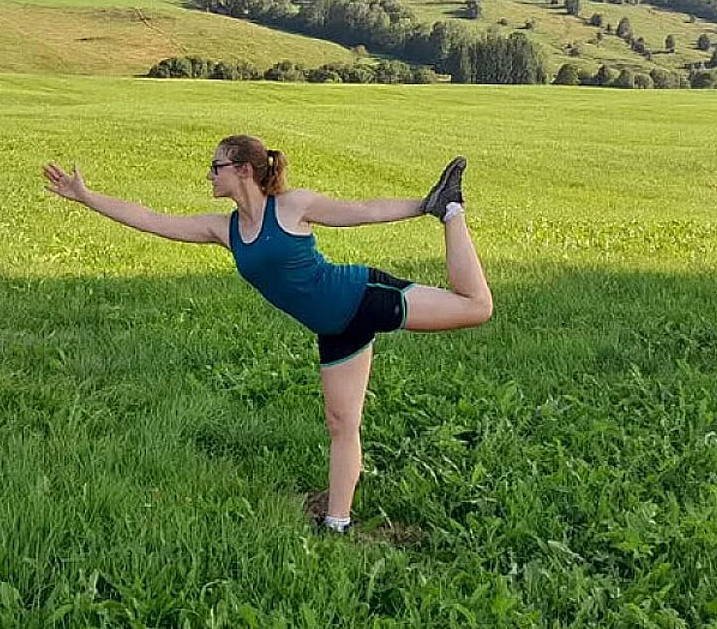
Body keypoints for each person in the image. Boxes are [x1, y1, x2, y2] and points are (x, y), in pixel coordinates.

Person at [42, 134, 493, 534]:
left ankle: (450, 209)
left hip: (360, 296)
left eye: (215, 166)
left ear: (242, 170)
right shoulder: (225, 228)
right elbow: (153, 219)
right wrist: (87, 197)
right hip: (333, 329)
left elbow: (363, 212)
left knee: (476, 307)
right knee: (341, 424)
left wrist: (424, 205)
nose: (209, 175)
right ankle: (337, 522)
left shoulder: (292, 206)